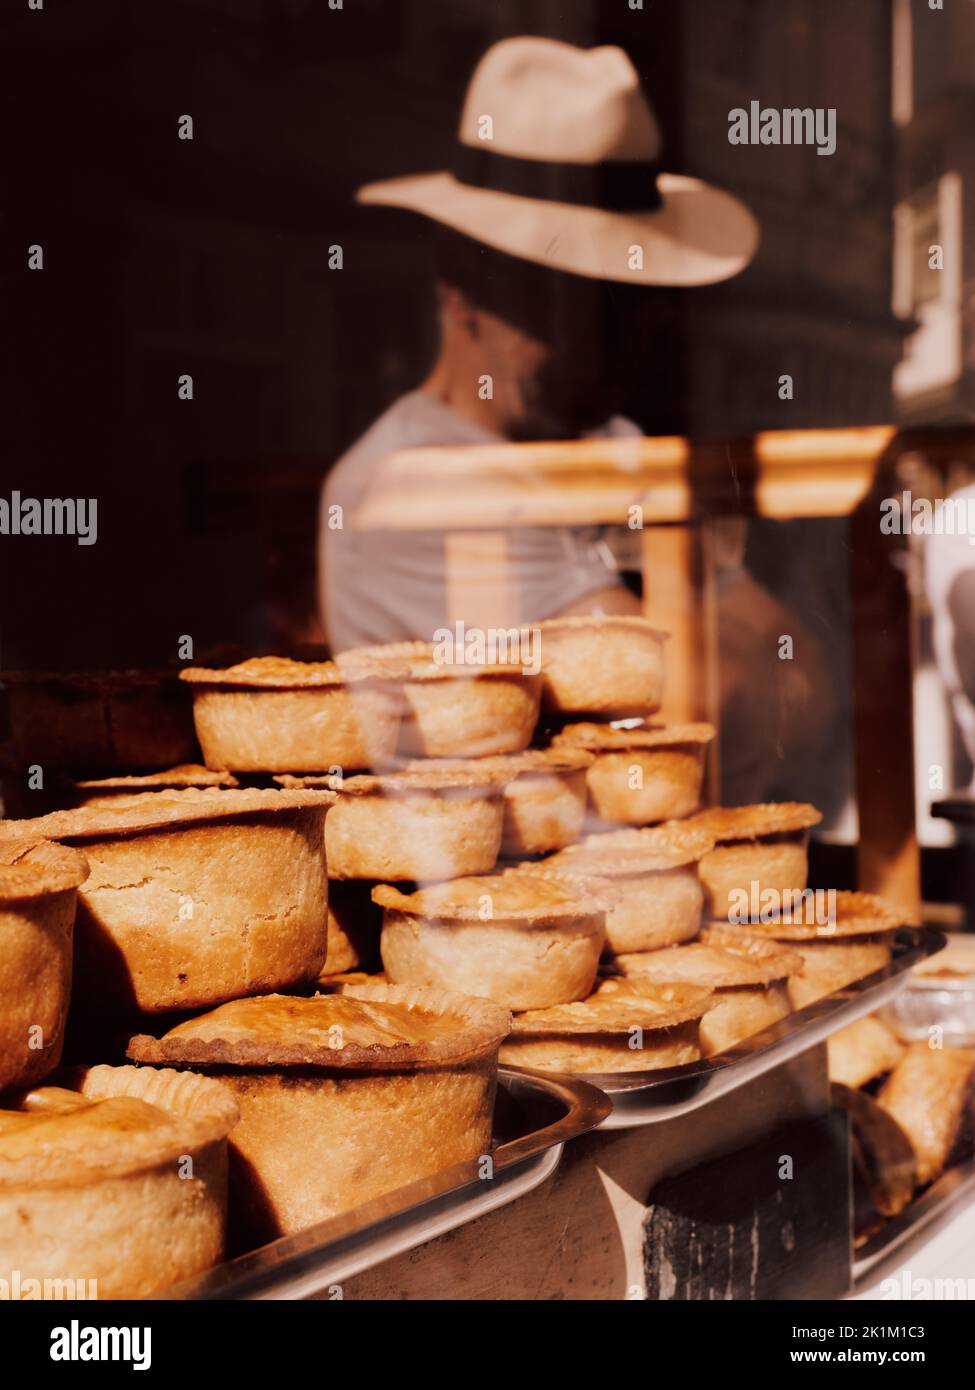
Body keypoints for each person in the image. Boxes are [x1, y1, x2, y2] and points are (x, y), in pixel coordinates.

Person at [318, 35, 759, 652]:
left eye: (632, 293)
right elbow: (683, 686)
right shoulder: (406, 486)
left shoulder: (613, 443)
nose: (625, 328)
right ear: (462, 290)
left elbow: (801, 680)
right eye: (571, 295)